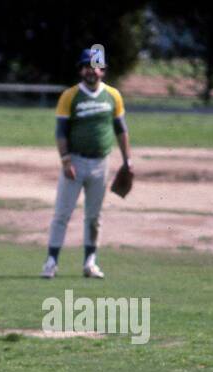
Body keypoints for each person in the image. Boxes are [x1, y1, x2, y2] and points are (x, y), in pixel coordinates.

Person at [41, 46, 133, 280]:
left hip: (101, 163)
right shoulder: (70, 96)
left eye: (96, 67)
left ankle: (90, 263)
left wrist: (127, 160)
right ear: (81, 70)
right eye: (86, 67)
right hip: (75, 163)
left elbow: (121, 129)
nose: (91, 71)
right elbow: (61, 132)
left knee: (94, 216)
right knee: (62, 213)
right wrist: (65, 160)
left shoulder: (112, 95)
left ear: (103, 70)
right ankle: (51, 261)